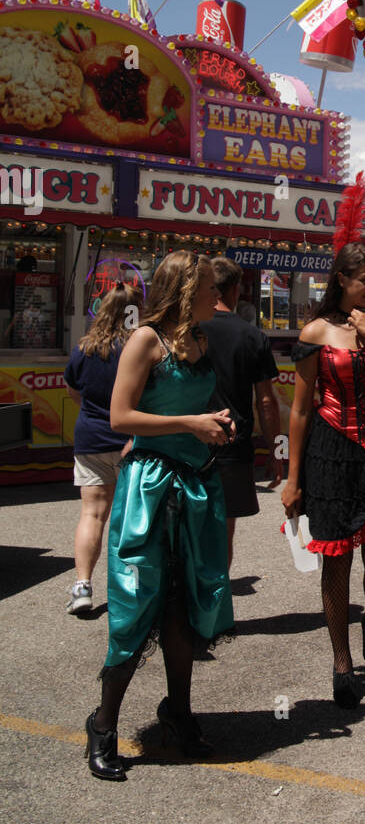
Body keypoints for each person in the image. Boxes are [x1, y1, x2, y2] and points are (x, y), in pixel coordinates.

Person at [83, 251, 236, 782]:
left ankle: (179, 712)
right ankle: (103, 725)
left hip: (193, 486)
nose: (218, 296)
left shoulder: (199, 340)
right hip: (149, 487)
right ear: (186, 288)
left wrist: (213, 421)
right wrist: (191, 422)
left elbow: (184, 408)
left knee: (183, 607)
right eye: (210, 287)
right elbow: (120, 416)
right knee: (135, 604)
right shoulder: (145, 339)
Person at [281, 180, 365, 709]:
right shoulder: (315, 331)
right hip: (332, 453)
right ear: (341, 280)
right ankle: (342, 660)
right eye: (364, 282)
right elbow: (299, 408)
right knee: (336, 561)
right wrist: (292, 479)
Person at [63, 285, 142, 614]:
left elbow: (73, 391)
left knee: (92, 514)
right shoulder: (138, 348)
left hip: (91, 439)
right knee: (131, 520)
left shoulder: (85, 348)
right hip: (131, 440)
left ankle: (82, 584)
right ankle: (131, 586)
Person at [200, 257, 281, 569]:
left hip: (189, 440)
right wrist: (277, 450)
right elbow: (266, 402)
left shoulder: (191, 329)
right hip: (234, 443)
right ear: (234, 290)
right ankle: (216, 600)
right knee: (223, 529)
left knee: (190, 527)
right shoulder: (252, 336)